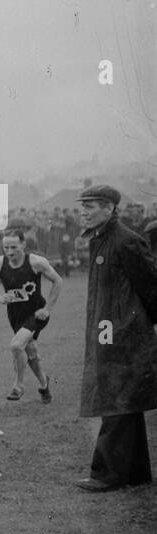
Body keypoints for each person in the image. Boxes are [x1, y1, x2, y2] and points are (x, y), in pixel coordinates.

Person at [75, 185, 157, 491]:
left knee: (114, 398)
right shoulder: (100, 240)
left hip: (124, 334)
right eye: (82, 206)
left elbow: (151, 286)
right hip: (109, 330)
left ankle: (108, 473)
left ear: (110, 208)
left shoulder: (126, 241)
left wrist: (138, 327)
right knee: (123, 400)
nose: (83, 211)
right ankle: (134, 472)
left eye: (91, 205)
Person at [0, 228, 63, 403]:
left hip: (37, 313)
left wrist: (48, 309)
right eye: (6, 248)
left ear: (23, 244)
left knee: (17, 346)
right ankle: (44, 384)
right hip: (15, 315)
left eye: (14, 247)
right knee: (30, 350)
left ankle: (18, 385)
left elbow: (58, 281)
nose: (9, 252)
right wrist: (0, 298)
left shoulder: (36, 262)